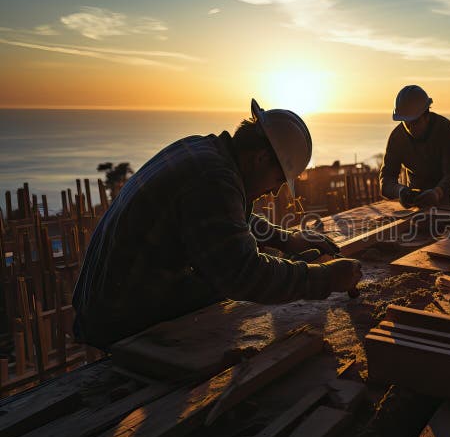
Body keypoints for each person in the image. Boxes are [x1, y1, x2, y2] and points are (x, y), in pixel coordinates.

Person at [72, 99, 362, 348]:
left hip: (109, 300)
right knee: (228, 289)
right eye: (277, 181)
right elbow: (242, 275)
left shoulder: (206, 152)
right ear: (261, 158)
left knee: (252, 270)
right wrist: (325, 278)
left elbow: (227, 219)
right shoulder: (212, 179)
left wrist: (286, 239)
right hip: (120, 316)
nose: (275, 192)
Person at [379, 85, 450, 208]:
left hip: (449, 200)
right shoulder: (397, 138)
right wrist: (400, 191)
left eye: (415, 122)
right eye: (406, 123)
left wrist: (437, 193)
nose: (410, 128)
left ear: (426, 115)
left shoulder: (446, 131)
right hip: (416, 204)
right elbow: (386, 180)